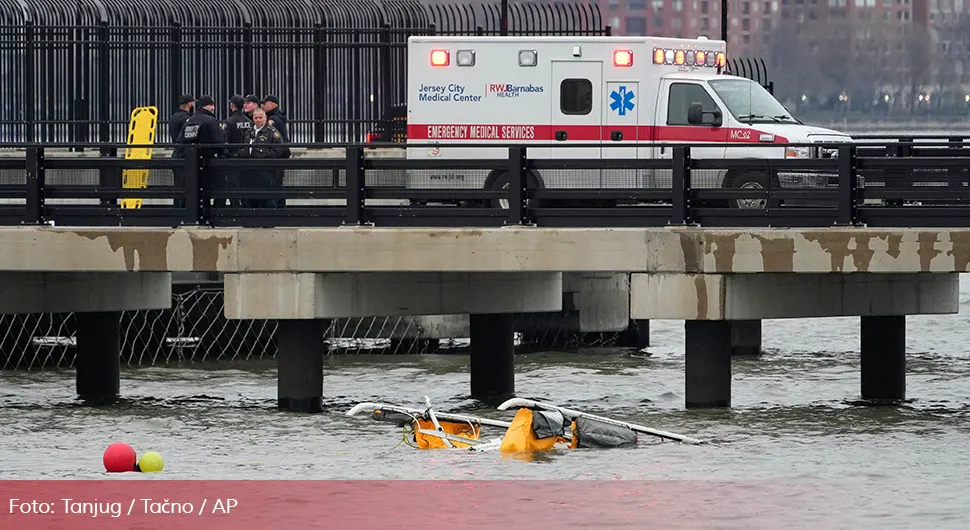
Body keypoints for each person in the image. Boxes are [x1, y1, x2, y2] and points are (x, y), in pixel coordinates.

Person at [178, 95, 226, 207]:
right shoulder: (211, 120)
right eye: (212, 105)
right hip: (208, 162)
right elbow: (218, 141)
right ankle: (215, 215)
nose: (213, 108)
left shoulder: (190, 120)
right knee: (216, 188)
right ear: (210, 106)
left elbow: (180, 141)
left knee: (192, 190)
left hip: (191, 163)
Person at [245, 108, 290, 208]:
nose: (258, 120)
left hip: (267, 169)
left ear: (265, 118)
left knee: (267, 197)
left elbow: (279, 149)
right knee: (253, 197)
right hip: (251, 169)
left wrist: (264, 154)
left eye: (261, 117)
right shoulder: (249, 131)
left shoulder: (272, 132)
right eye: (256, 118)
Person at [222, 95, 253, 207]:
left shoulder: (229, 122)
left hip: (233, 158)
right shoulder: (249, 122)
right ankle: (247, 208)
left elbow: (225, 141)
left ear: (232, 106)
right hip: (246, 158)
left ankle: (235, 209)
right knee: (246, 185)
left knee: (232, 186)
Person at [167, 94, 193, 208]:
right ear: (189, 104)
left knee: (177, 184)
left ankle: (176, 208)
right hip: (185, 154)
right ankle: (183, 209)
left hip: (175, 153)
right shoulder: (187, 118)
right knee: (186, 185)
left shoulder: (173, 117)